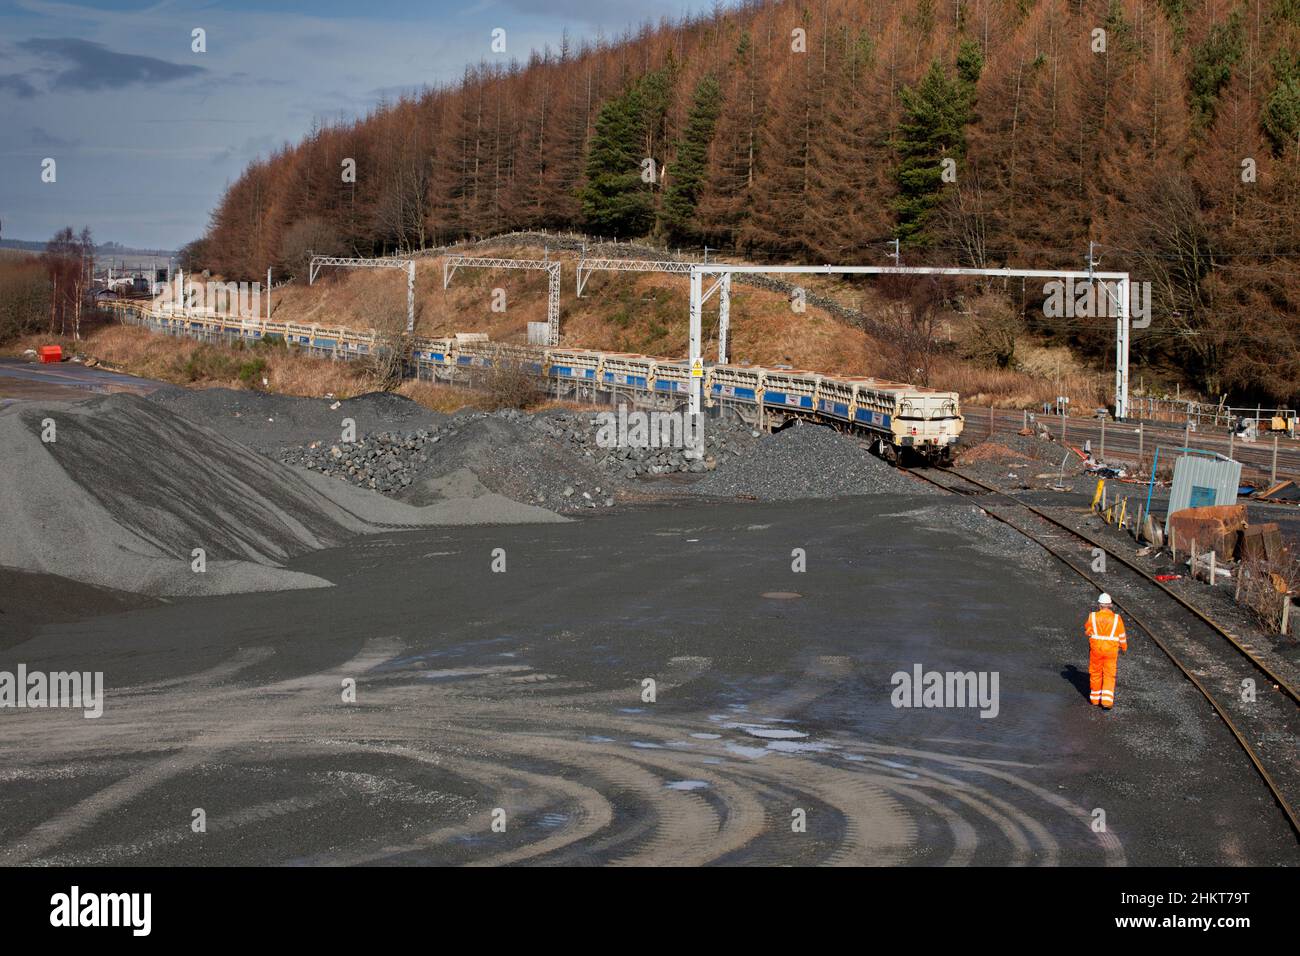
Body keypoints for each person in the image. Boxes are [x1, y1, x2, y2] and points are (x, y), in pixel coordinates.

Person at [1084, 593, 1127, 709]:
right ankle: (1107, 702)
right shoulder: (1117, 618)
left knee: (1095, 673)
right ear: (1110, 605)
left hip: (1096, 649)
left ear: (1099, 605)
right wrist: (1124, 647)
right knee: (1109, 674)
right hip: (1111, 650)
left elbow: (1088, 631)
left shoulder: (1092, 616)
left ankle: (1094, 699)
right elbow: (1122, 635)